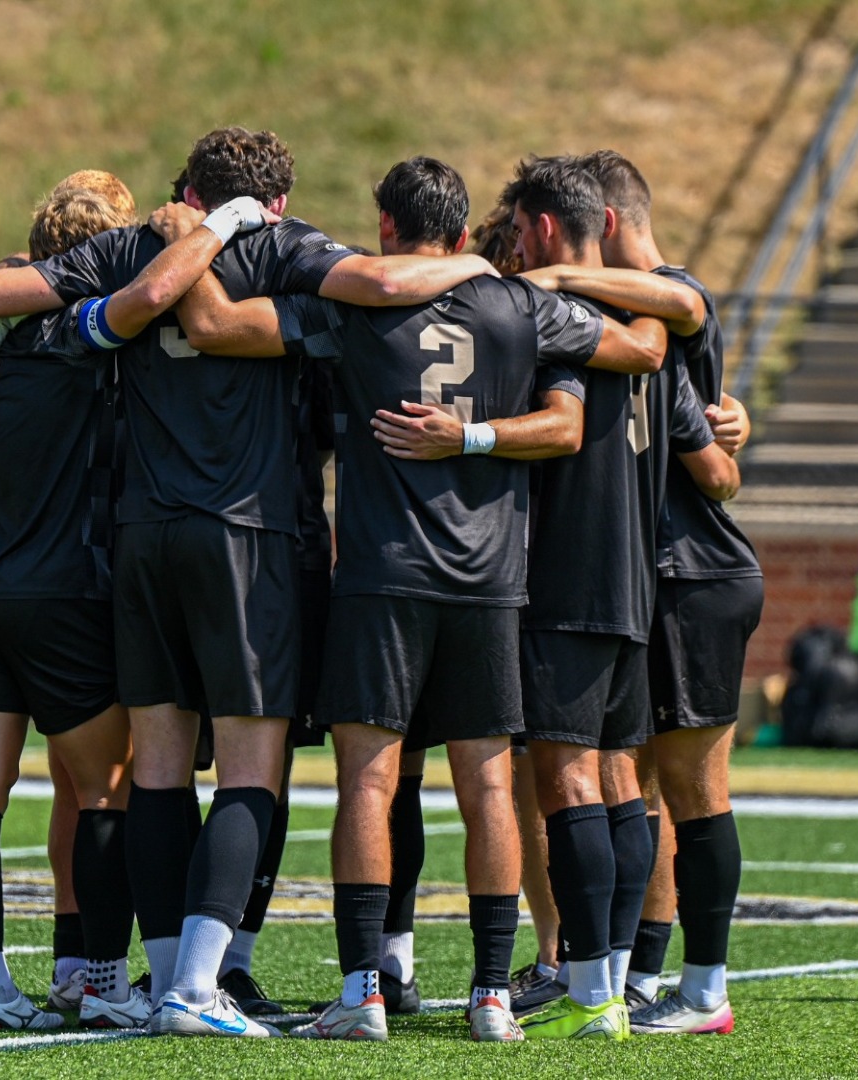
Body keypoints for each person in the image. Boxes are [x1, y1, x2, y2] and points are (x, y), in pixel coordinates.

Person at [0, 127, 498, 1039]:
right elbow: (378, 283)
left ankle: (165, 973)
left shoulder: (141, 243)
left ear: (190, 191)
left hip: (141, 538)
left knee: (161, 768)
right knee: (254, 767)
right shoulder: (281, 244)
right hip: (248, 537)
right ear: (274, 201)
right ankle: (199, 986)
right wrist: (483, 261)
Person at [170, 154, 665, 1043]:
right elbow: (637, 350)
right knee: (484, 785)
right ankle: (489, 996)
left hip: (381, 575)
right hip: (489, 584)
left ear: (388, 228)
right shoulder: (520, 305)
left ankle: (362, 990)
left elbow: (216, 328)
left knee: (367, 778)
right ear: (463, 223)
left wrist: (192, 238)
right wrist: (488, 415)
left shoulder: (357, 304)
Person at [0, 185, 282, 1032]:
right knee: (107, 793)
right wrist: (223, 222)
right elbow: (151, 298)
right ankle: (93, 976)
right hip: (60, 592)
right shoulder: (82, 332)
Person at [521, 148, 755, 1036]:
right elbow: (719, 460)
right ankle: (626, 972)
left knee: (682, 789)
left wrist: (545, 279)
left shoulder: (658, 295)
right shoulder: (621, 323)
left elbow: (684, 306)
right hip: (650, 570)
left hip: (685, 570)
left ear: (602, 227)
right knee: (631, 781)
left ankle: (692, 988)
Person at [497, 157, 671, 1042]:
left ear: (546, 227)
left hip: (570, 573)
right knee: (618, 782)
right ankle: (630, 982)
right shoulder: (654, 306)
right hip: (634, 579)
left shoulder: (557, 313)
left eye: (521, 228)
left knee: (565, 781)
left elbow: (563, 422)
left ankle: (591, 992)